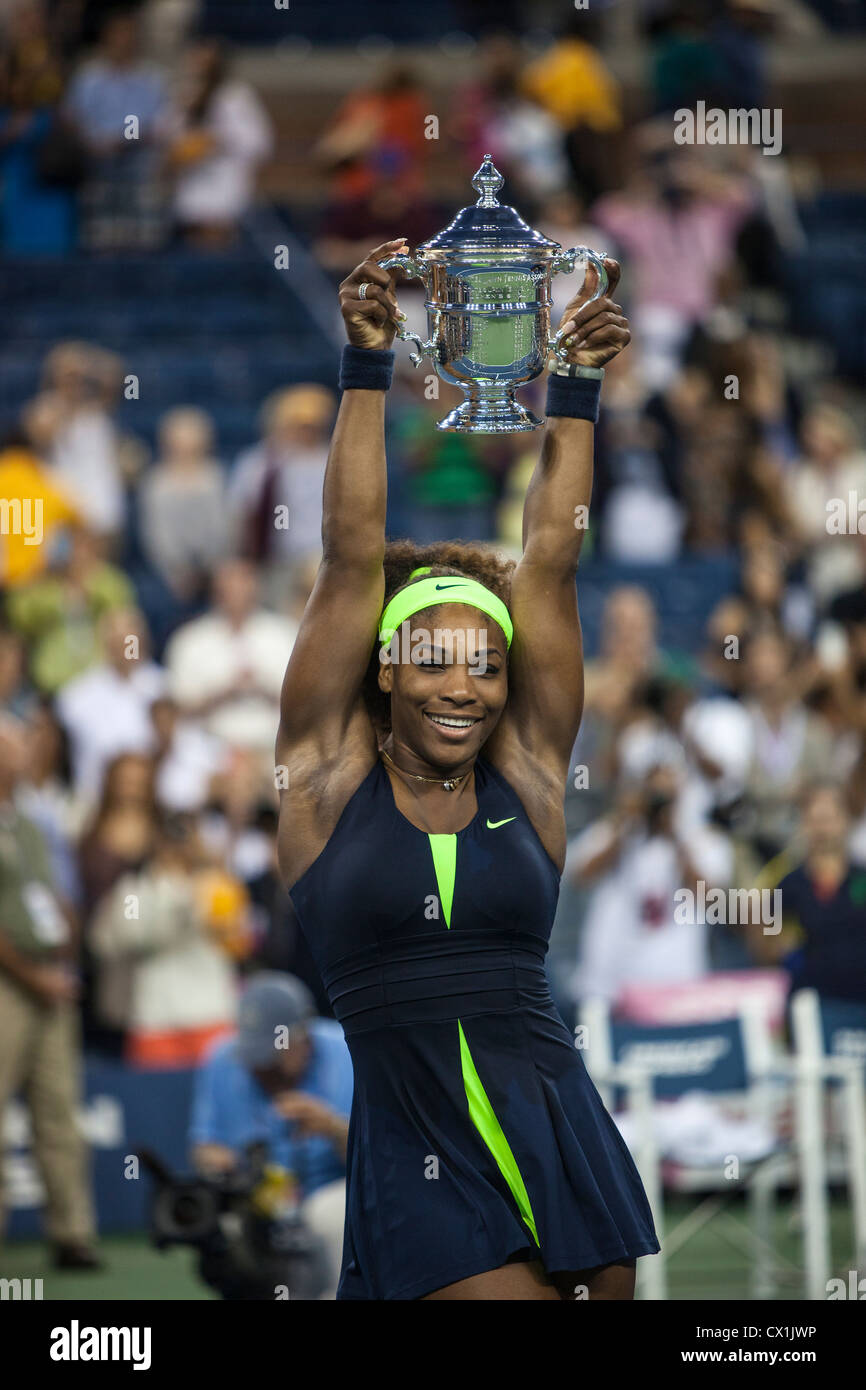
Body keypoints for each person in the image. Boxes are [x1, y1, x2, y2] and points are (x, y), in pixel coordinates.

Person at [275, 240, 658, 1300]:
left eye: (485, 666)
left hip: (558, 1124)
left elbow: (552, 556)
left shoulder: (529, 776)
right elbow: (350, 554)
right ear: (384, 667)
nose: (463, 686)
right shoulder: (320, 780)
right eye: (432, 660)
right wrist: (363, 368)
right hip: (418, 1153)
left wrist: (574, 383)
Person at [0, 715, 100, 1268]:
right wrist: (33, 975)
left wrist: (64, 960)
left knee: (59, 1112)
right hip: (9, 982)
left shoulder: (31, 821)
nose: (22, 753)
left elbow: (56, 896)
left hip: (48, 976)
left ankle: (71, 1234)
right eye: (11, 745)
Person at [190, 972, 352, 1297]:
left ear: (303, 1034)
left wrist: (334, 1128)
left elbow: (382, 1164)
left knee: (328, 1212)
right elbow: (204, 1148)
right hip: (257, 1202)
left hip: (331, 1193)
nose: (260, 1066)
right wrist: (221, 1166)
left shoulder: (348, 1052)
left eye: (273, 1053)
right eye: (254, 1054)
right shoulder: (222, 1059)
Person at [751, 782, 866, 1005]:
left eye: (829, 819)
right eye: (814, 820)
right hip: (812, 1002)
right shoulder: (789, 883)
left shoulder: (861, 879)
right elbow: (765, 943)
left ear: (846, 821)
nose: (822, 829)